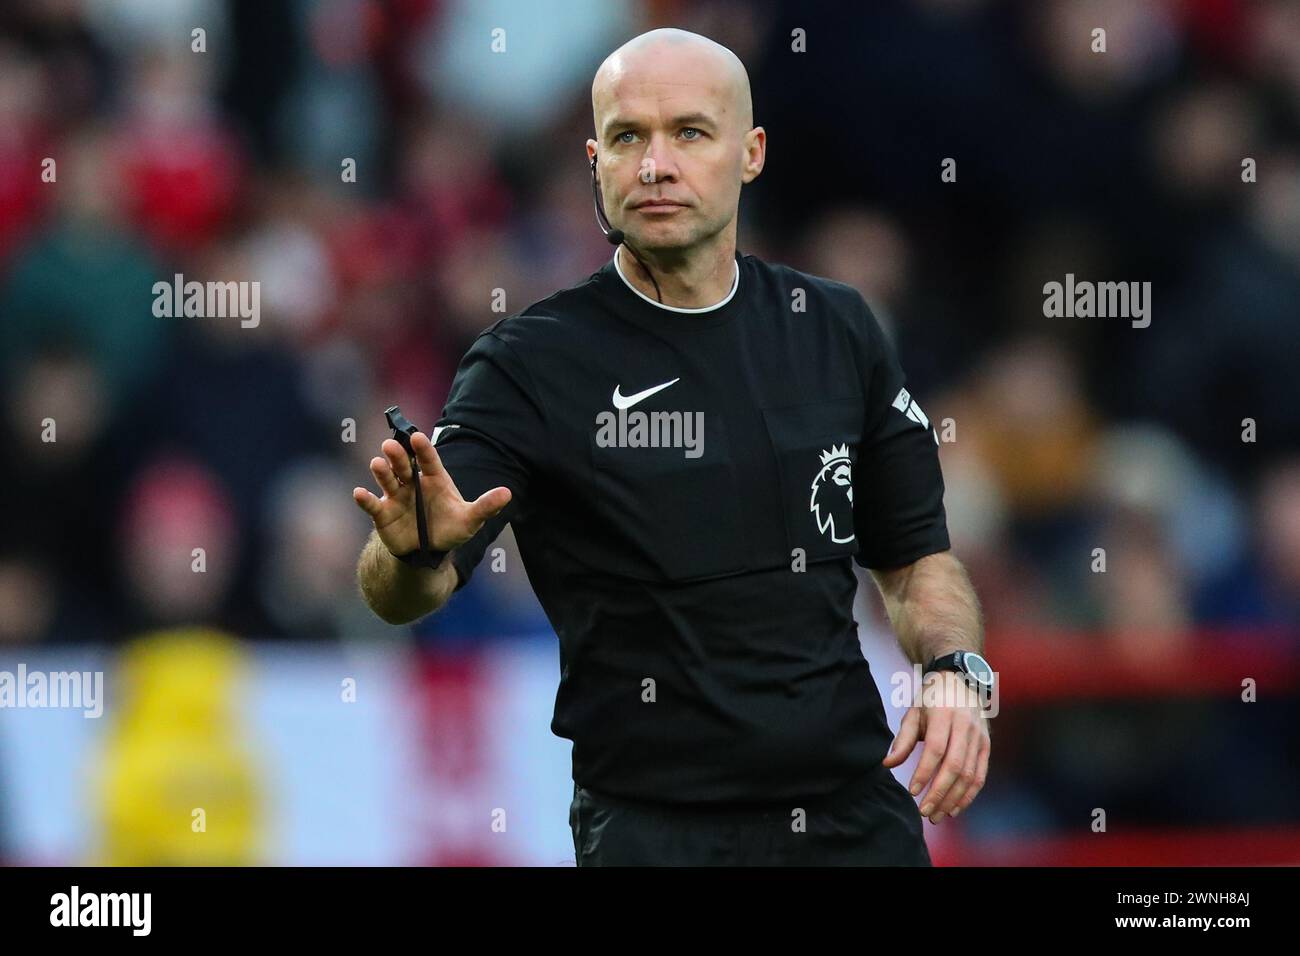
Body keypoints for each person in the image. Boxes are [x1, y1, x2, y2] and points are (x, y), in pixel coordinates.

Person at [353, 28, 991, 866]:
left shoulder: (837, 328)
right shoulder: (528, 366)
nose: (655, 164)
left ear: (751, 152)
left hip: (851, 818)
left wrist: (954, 670)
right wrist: (407, 553)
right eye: (627, 137)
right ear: (594, 162)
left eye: (689, 132)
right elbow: (408, 590)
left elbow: (915, 564)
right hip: (655, 834)